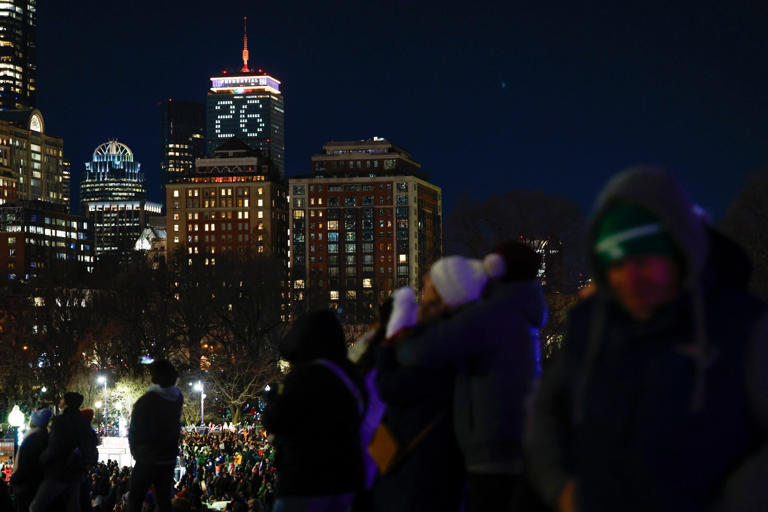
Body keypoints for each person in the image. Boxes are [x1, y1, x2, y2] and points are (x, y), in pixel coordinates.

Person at [525, 166, 768, 511]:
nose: (630, 278)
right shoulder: (591, 324)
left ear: (677, 249)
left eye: (645, 259)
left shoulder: (742, 325)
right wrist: (559, 486)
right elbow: (545, 408)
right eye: (616, 263)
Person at [391, 249, 545, 511]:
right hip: (509, 439)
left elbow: (422, 350)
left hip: (491, 446)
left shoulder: (490, 315)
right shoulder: (517, 310)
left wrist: (398, 338)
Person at [263, 310, 367, 512]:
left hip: (303, 482)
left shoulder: (304, 376)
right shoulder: (351, 374)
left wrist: (272, 400)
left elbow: (275, 419)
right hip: (347, 479)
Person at [128, 360, 184, 512]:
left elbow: (135, 430)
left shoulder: (147, 401)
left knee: (135, 498)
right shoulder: (177, 397)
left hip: (148, 457)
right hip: (168, 457)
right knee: (164, 499)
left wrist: (137, 452)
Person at [31, 392, 98, 512]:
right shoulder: (83, 422)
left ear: (66, 402)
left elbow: (55, 447)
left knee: (37, 506)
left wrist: (42, 459)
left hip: (59, 470)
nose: (60, 401)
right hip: (76, 471)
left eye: (62, 399)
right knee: (73, 506)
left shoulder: (61, 421)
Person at [10, 408, 52, 511]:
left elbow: (25, 463)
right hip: (34, 483)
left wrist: (14, 478)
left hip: (26, 485)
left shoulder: (32, 439)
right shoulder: (43, 436)